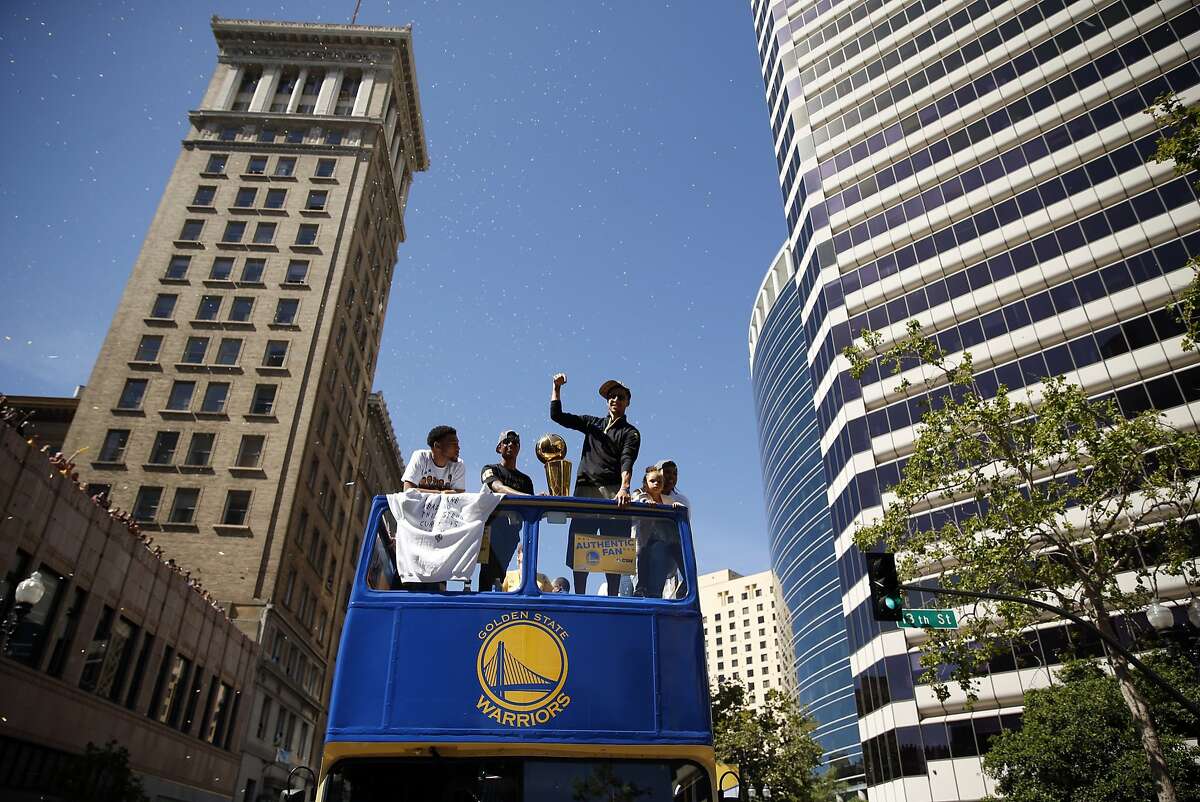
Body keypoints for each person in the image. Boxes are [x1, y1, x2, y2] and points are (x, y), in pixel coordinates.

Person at [550, 373, 641, 595]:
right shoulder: (593, 423)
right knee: (581, 547)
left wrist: (624, 488)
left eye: (620, 397)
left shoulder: (631, 433)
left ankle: (613, 599)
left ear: (627, 402)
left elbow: (627, 459)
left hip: (612, 494)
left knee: (614, 550)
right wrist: (556, 388)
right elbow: (558, 416)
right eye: (611, 396)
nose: (615, 400)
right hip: (585, 492)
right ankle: (579, 596)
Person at [479, 430, 534, 590]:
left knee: (500, 575)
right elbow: (498, 488)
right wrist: (527, 497)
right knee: (487, 574)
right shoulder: (490, 469)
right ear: (498, 448)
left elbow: (531, 508)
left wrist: (539, 499)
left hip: (511, 534)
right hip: (491, 531)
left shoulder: (526, 480)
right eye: (506, 442)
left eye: (515, 442)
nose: (511, 445)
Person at [632, 465, 685, 598]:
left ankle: (687, 580)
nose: (656, 484)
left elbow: (676, 507)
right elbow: (638, 500)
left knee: (678, 548)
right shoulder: (640, 493)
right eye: (652, 481)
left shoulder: (667, 499)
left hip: (664, 540)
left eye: (659, 482)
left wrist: (676, 506)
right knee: (642, 555)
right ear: (645, 484)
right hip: (644, 541)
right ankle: (641, 586)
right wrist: (646, 503)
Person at [403, 425, 466, 493]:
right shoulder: (421, 458)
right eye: (454, 444)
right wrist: (441, 493)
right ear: (437, 446)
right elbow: (408, 491)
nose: (458, 448)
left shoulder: (458, 465)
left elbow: (460, 497)